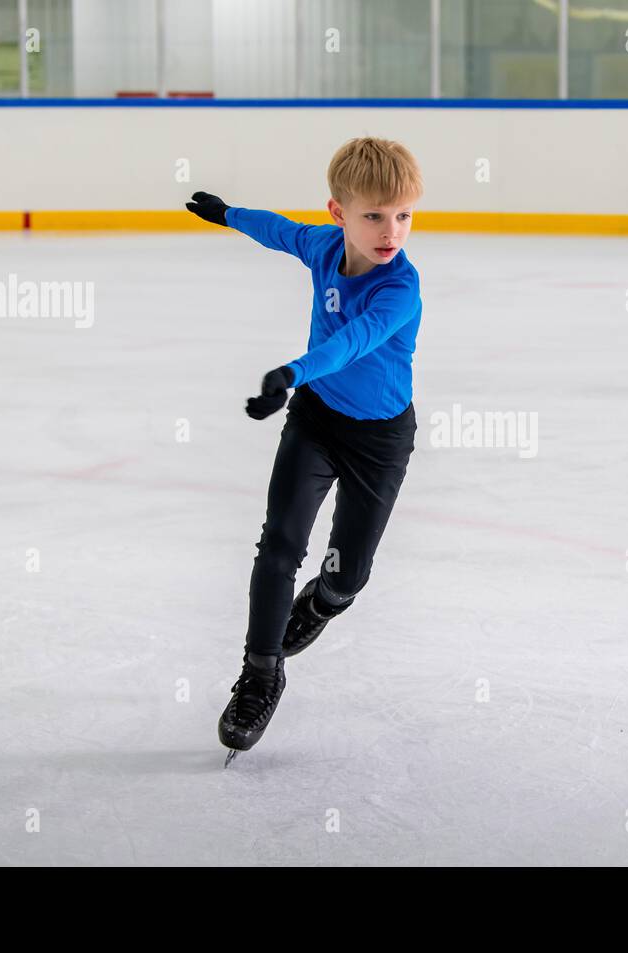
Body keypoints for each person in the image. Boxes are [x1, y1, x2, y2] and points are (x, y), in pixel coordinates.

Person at [185, 136, 424, 761]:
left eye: (402, 215)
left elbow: (353, 341)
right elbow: (278, 230)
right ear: (337, 213)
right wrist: (228, 214)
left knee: (349, 578)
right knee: (279, 546)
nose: (390, 231)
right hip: (317, 422)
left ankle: (323, 601)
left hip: (379, 442)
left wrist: (290, 373)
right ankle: (260, 674)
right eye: (373, 215)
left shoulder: (400, 289)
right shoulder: (322, 247)